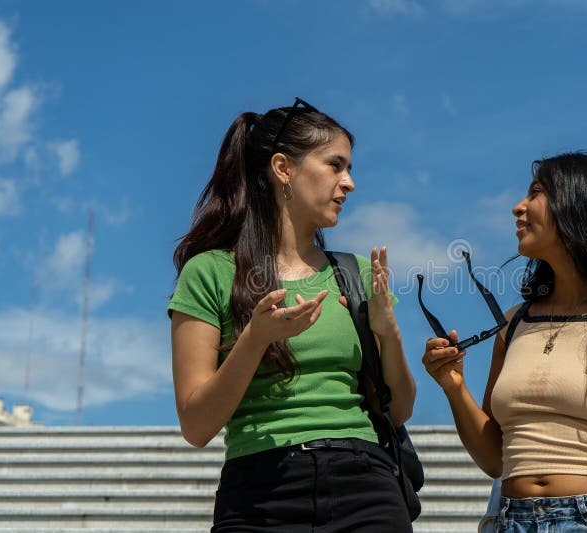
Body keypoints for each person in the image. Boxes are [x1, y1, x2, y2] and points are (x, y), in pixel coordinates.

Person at [168, 98, 416, 532]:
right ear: (283, 168)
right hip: (259, 493)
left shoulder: (355, 274)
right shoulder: (208, 272)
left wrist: (388, 332)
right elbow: (196, 426)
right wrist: (255, 338)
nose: (350, 183)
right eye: (335, 166)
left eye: (349, 169)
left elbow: (399, 410)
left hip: (366, 485)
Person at [422, 152, 587, 533]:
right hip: (511, 521)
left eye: (535, 193)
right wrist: (454, 387)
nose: (518, 207)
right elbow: (497, 460)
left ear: (582, 206)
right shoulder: (514, 322)